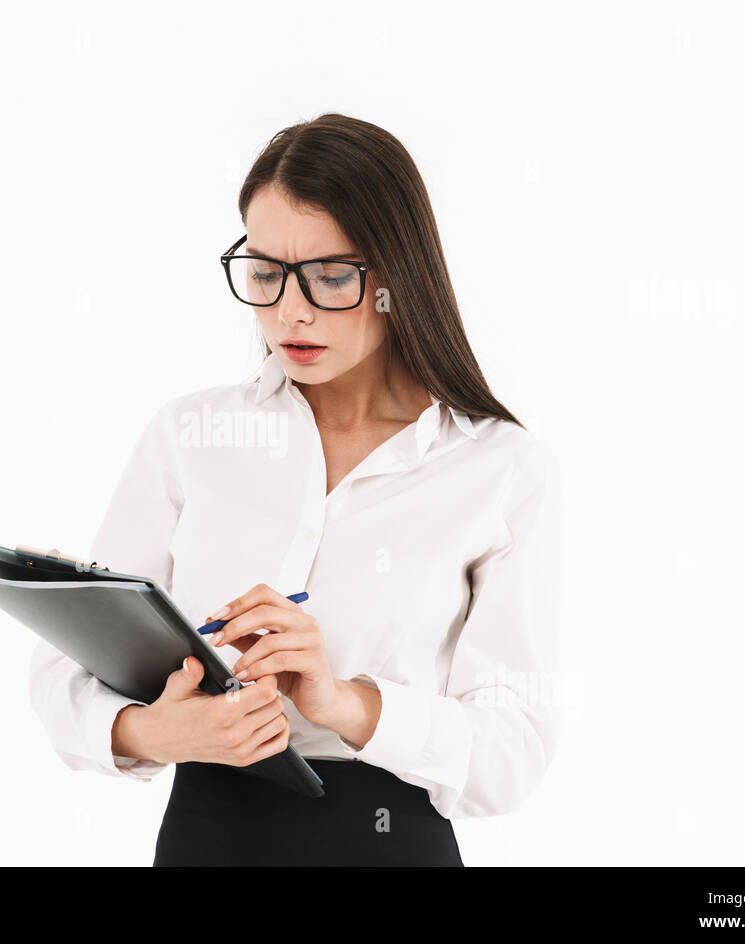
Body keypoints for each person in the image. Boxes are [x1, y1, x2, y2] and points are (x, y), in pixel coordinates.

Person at [29, 113, 563, 866]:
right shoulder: (190, 436)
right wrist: (152, 732)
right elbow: (62, 673)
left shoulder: (499, 468)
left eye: (332, 276)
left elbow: (515, 751)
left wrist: (347, 703)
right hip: (204, 841)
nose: (290, 310)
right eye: (265, 271)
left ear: (397, 275)